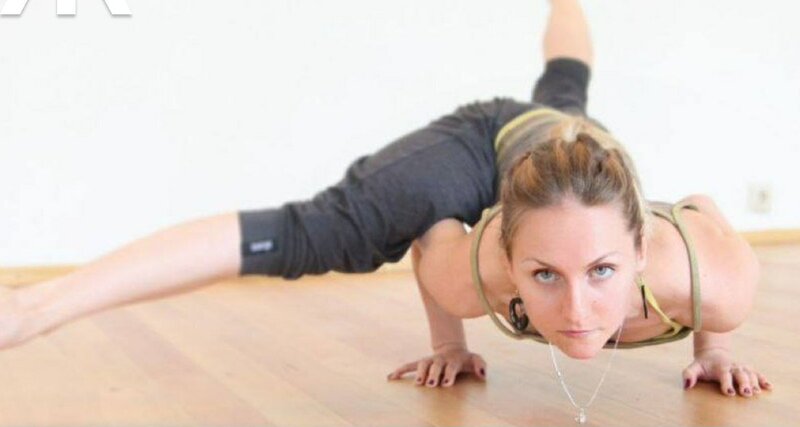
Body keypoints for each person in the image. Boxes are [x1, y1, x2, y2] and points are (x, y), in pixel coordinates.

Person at [0, 0, 767, 403]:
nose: (574, 309)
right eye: (542, 275)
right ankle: (31, 309)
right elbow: (429, 228)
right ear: (504, 254)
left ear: (640, 250)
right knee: (318, 233)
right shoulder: (470, 274)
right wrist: (450, 343)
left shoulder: (714, 280)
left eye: (601, 271)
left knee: (566, 84)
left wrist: (713, 349)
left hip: (572, 157)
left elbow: (701, 207)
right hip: (485, 139)